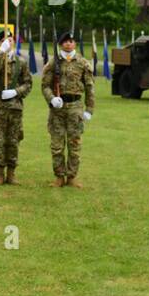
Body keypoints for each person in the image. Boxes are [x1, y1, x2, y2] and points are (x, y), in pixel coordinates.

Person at [41, 31, 95, 188]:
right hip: (58, 108)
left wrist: (89, 109)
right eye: (65, 41)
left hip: (76, 107)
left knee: (74, 143)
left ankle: (71, 176)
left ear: (75, 43)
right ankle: (59, 176)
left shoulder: (83, 63)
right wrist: (51, 98)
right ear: (60, 44)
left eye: (71, 41)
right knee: (57, 145)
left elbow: (90, 87)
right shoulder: (53, 63)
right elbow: (45, 85)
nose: (68, 44)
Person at [0, 28, 32, 184]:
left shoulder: (21, 62)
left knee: (13, 139)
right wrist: (1, 52)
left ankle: (11, 173)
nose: (8, 42)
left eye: (10, 40)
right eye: (4, 40)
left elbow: (28, 84)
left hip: (15, 106)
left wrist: (15, 92)